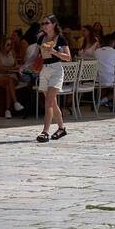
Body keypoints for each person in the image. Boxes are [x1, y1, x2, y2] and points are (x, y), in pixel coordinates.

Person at [34, 15, 71, 143]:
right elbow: (36, 55)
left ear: (54, 24)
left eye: (47, 23)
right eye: (43, 23)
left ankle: (45, 131)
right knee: (53, 103)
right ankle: (61, 128)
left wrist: (53, 51)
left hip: (56, 70)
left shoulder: (60, 38)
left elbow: (68, 57)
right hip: (44, 69)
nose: (44, 25)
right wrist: (26, 65)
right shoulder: (41, 38)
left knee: (49, 102)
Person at [0, 28, 25, 118]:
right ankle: (13, 105)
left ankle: (9, 109)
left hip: (12, 75)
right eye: (8, 44)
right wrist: (13, 67)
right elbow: (1, 68)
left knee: (9, 82)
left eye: (11, 44)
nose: (10, 46)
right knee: (9, 82)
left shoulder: (12, 52)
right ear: (2, 45)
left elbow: (16, 65)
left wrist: (13, 68)